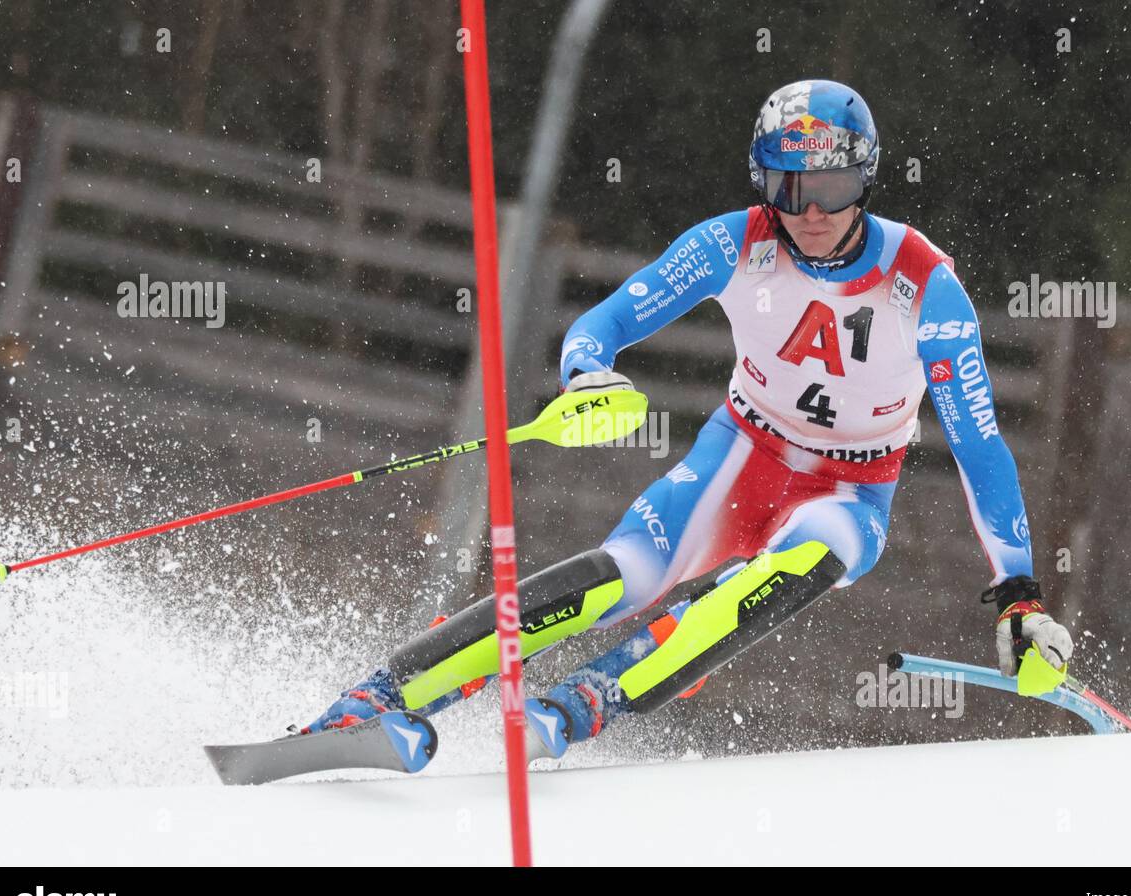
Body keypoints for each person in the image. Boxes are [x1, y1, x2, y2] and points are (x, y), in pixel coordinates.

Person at [302, 79, 1073, 760]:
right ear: (761, 180)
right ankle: (375, 699)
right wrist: (588, 377)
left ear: (864, 180)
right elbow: (600, 325)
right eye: (787, 183)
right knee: (618, 578)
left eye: (830, 187)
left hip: (850, 491)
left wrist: (1020, 596)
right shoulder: (730, 243)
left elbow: (979, 446)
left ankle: (589, 698)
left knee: (816, 551)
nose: (807, 210)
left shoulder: (924, 284)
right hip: (739, 457)